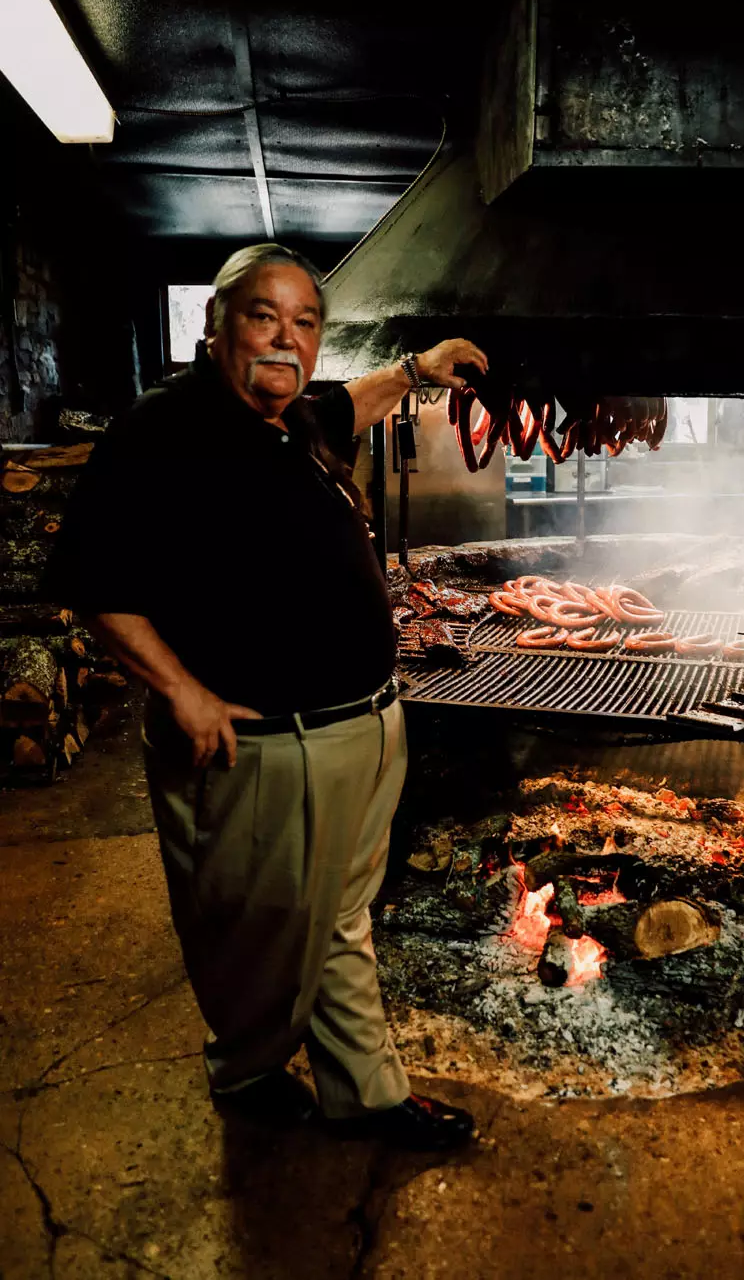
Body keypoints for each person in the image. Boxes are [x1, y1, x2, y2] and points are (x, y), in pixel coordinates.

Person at [52, 243, 488, 1150]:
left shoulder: (292, 419)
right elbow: (94, 580)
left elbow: (347, 403)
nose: (285, 339)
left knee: (336, 917)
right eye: (263, 317)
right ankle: (247, 1071)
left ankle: (360, 1090)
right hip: (266, 745)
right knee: (255, 923)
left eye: (305, 322)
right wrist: (182, 692)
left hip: (364, 726)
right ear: (214, 328)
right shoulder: (164, 429)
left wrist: (416, 370)